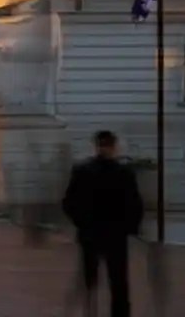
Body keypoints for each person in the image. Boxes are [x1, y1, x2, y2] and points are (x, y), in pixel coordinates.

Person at [62, 130, 143, 317]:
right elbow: (134, 203)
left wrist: (80, 222)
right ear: (114, 147)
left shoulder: (82, 170)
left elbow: (69, 202)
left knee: (92, 278)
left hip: (92, 231)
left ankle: (91, 311)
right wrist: (130, 227)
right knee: (118, 279)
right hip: (114, 233)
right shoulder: (123, 172)